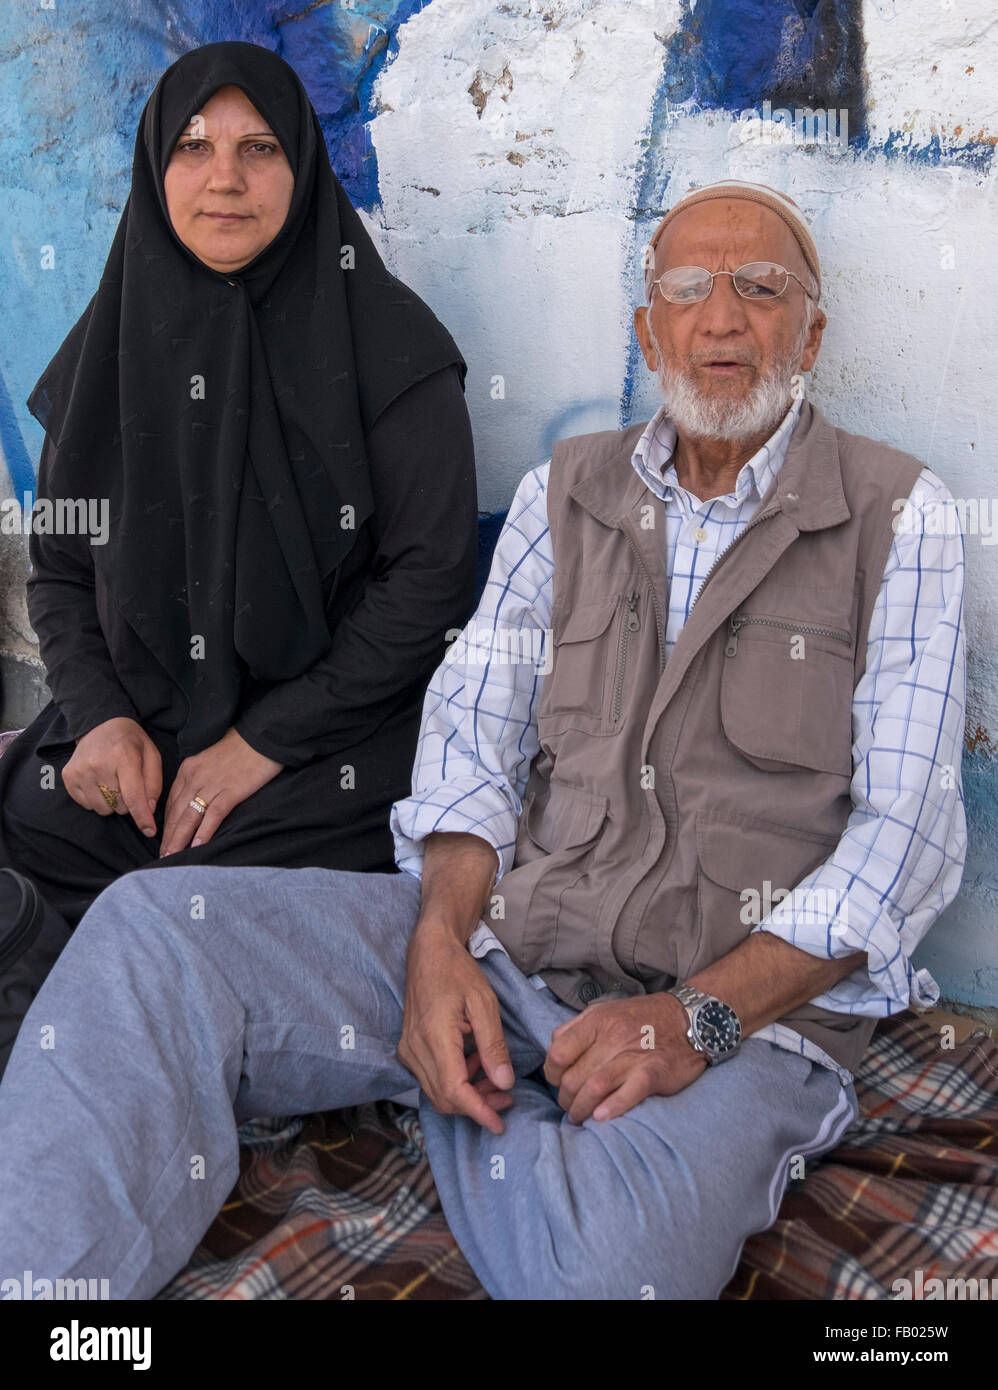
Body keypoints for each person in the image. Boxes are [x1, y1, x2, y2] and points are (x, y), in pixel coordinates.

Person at [0, 180, 966, 1300]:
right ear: (644, 326)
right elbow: (467, 741)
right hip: (505, 951)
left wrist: (691, 1019)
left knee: (611, 1271)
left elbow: (902, 846)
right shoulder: (564, 492)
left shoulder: (899, 513)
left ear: (812, 331)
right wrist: (440, 948)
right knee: (156, 932)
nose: (721, 319)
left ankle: (461, 1100)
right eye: (686, 289)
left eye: (760, 289)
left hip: (735, 1017)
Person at [0, 42, 477, 1073]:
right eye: (192, 146)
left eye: (258, 147)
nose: (224, 176)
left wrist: (265, 739)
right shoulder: (109, 346)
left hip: (322, 753)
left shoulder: (391, 349)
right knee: (38, 820)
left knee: (219, 879)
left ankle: (111, 1038)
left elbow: (430, 579)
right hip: (147, 728)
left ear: (302, 168)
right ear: (152, 171)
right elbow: (63, 565)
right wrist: (101, 717)